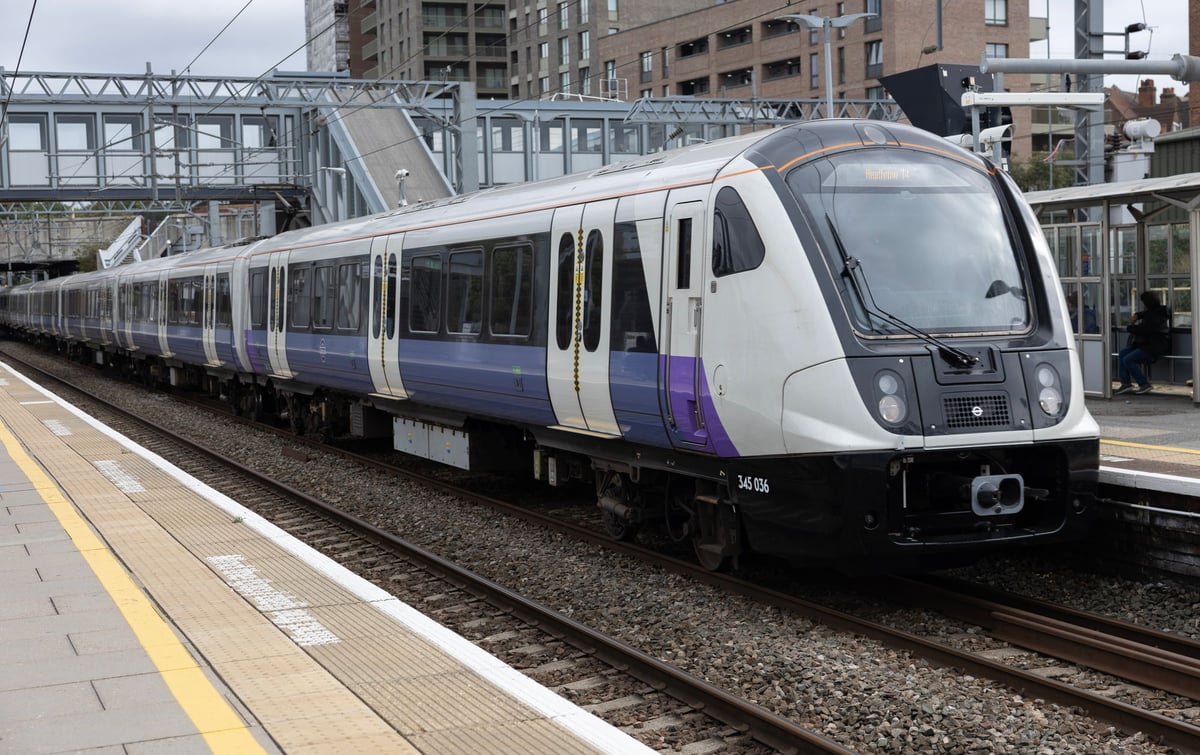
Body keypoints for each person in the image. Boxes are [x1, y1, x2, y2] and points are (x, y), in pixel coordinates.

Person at [1115, 291, 1171, 395]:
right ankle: (1125, 383)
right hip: (1146, 344)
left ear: (1147, 302)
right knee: (1123, 353)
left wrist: (1130, 327)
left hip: (1154, 346)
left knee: (1128, 359)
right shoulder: (1155, 312)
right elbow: (1145, 314)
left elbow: (1146, 330)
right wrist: (1137, 315)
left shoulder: (1155, 315)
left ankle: (1144, 384)